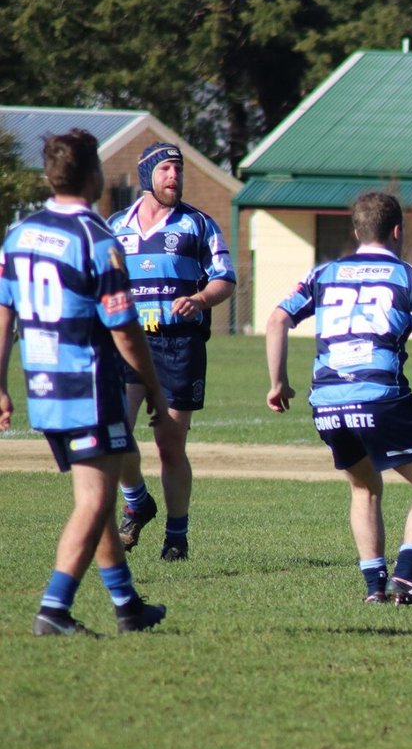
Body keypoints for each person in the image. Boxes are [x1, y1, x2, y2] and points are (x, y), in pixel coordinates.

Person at [0, 129, 168, 636]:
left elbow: (4, 313)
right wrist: (153, 385)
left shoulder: (19, 235)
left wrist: (1, 385)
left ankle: (127, 605)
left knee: (97, 499)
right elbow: (124, 328)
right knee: (94, 504)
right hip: (89, 387)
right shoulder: (98, 240)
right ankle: (54, 609)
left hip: (44, 389)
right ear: (93, 174)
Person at [264, 191, 412, 607]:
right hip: (379, 396)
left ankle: (374, 587)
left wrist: (278, 382)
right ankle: (407, 575)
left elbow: (278, 317)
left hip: (328, 400)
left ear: (356, 232)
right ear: (397, 231)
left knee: (364, 487)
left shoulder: (325, 272)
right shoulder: (409, 276)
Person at [108, 142, 236, 561]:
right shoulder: (115, 227)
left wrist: (200, 300)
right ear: (147, 175)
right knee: (117, 432)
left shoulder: (198, 225)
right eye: (166, 169)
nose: (174, 177)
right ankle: (138, 500)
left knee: (169, 443)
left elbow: (225, 279)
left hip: (179, 345)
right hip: (128, 342)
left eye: (179, 170)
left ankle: (176, 536)